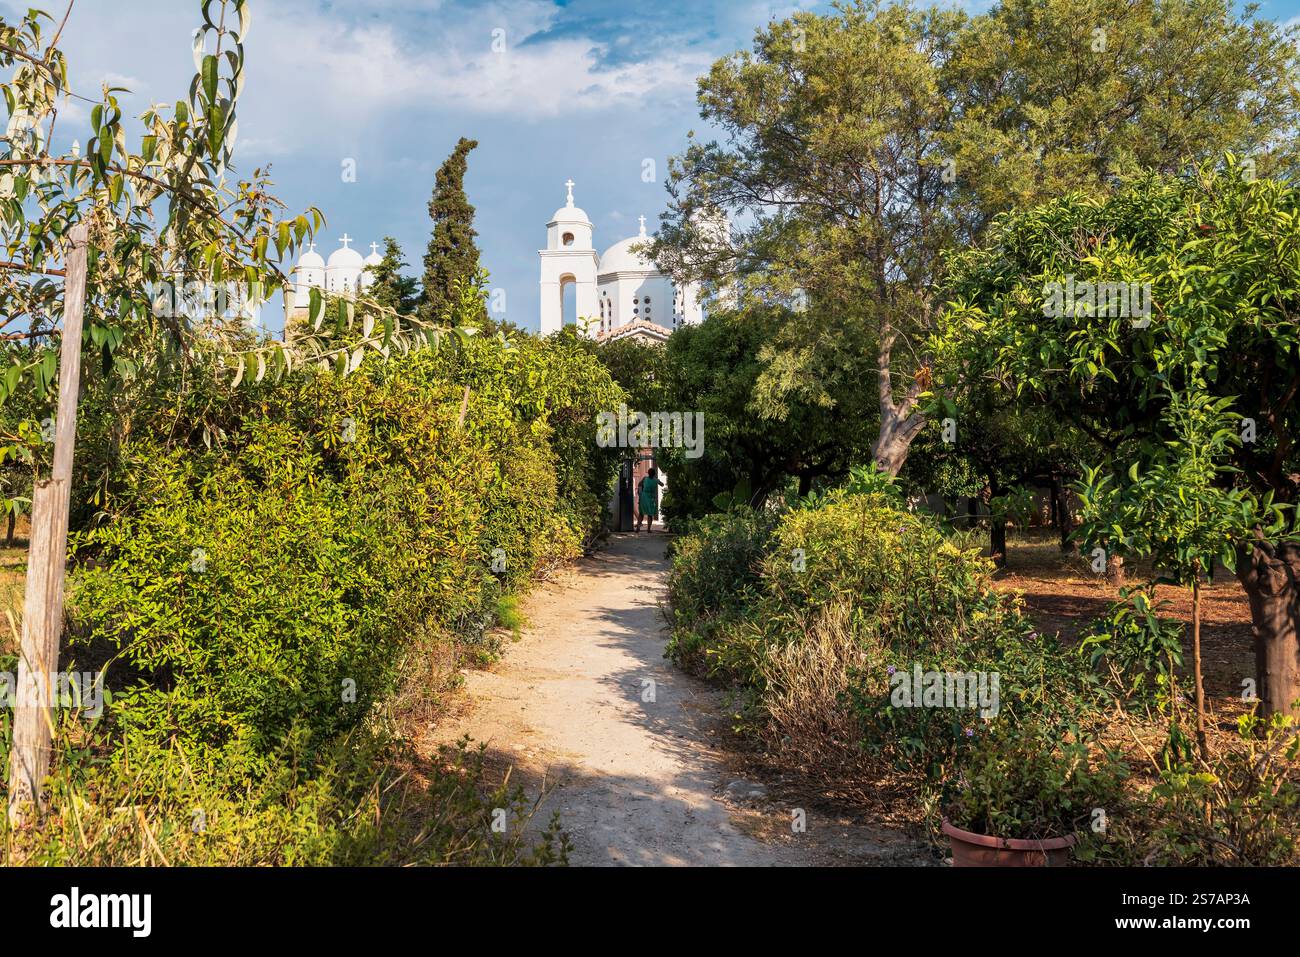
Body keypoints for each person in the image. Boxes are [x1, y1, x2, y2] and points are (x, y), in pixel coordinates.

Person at [636, 467, 661, 532]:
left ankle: (638, 528)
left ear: (648, 473)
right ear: (654, 474)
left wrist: (640, 492)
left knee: (641, 513)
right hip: (651, 498)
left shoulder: (645, 478)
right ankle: (648, 529)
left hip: (643, 497)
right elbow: (662, 484)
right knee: (650, 514)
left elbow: (639, 484)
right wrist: (657, 481)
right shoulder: (656, 480)